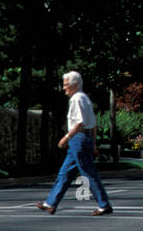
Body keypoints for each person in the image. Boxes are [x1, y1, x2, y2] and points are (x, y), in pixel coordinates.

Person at [36, 71, 113, 215]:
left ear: (75, 84)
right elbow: (93, 124)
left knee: (88, 173)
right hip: (83, 139)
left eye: (66, 85)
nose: (63, 88)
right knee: (64, 173)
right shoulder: (85, 98)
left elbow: (80, 123)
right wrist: (93, 143)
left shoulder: (77, 99)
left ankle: (104, 205)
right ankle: (50, 203)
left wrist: (66, 137)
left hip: (78, 139)